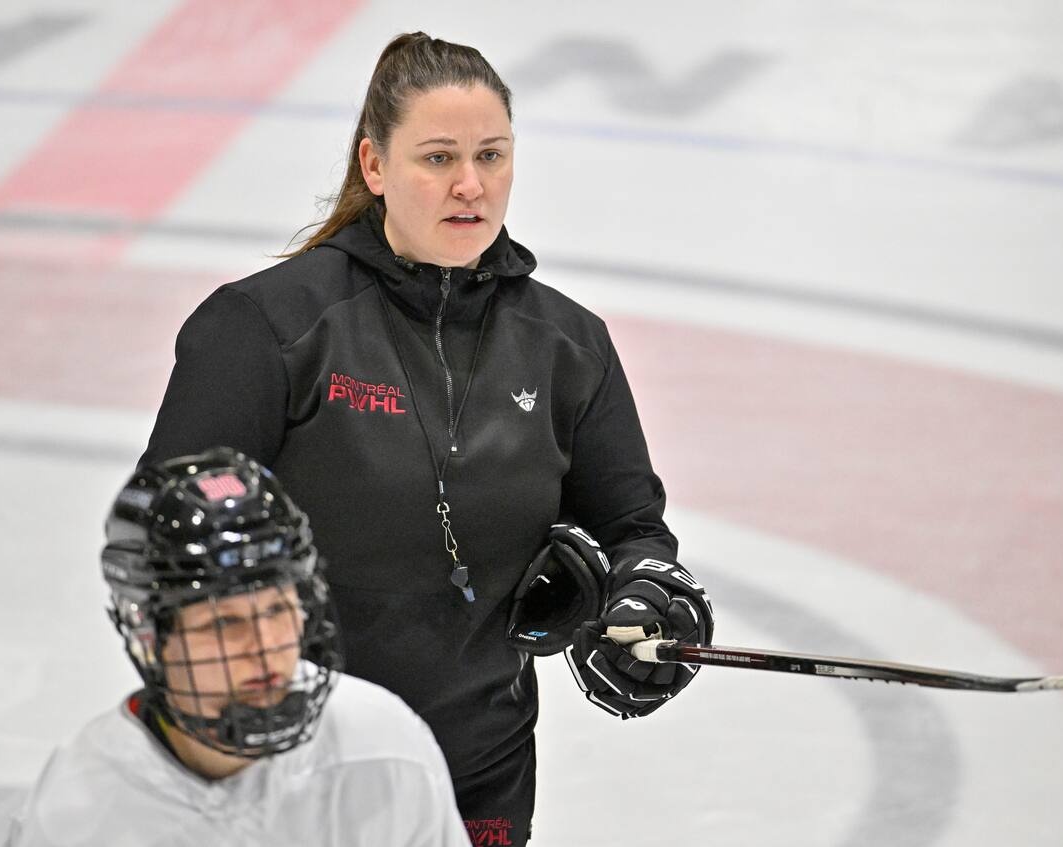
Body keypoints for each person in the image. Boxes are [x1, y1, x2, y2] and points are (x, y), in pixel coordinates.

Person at [140, 32, 715, 845]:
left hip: (476, 776)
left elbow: (633, 531)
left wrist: (644, 598)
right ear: (375, 166)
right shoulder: (269, 327)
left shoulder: (568, 348)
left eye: (491, 155)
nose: (470, 184)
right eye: (438, 157)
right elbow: (163, 533)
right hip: (284, 774)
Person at [7, 448, 467, 847]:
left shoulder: (384, 749)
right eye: (224, 623)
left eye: (277, 609)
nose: (265, 647)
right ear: (150, 638)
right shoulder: (77, 812)